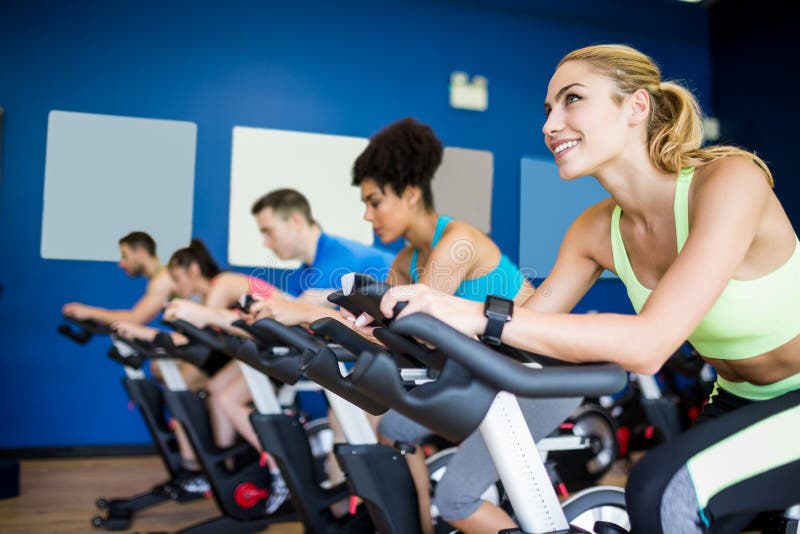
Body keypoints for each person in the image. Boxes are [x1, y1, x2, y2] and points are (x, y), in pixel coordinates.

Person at [371, 44, 800, 533]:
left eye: (572, 99)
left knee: (662, 492)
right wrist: (400, 319)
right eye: (548, 109)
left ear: (636, 106)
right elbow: (526, 334)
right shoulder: (595, 230)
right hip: (738, 398)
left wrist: (470, 313)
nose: (550, 125)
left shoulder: (728, 182)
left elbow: (650, 344)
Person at [350, 117, 557, 534]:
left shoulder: (458, 241)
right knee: (393, 430)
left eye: (375, 201)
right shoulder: (406, 260)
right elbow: (383, 324)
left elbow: (416, 325)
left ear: (410, 194)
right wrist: (320, 316)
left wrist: (369, 322)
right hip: (491, 378)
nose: (368, 214)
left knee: (456, 500)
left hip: (540, 377)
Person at [164, 189, 394, 504]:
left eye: (268, 231)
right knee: (340, 460)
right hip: (362, 366)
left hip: (397, 367)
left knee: (347, 453)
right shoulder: (304, 274)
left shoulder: (339, 259)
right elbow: (280, 320)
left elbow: (292, 315)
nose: (266, 242)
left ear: (296, 221)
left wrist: (207, 315)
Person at [114, 238, 282, 506]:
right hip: (259, 352)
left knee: (225, 398)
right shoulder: (209, 296)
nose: (176, 287)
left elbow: (195, 337)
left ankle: (281, 471)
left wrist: (142, 332)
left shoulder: (222, 284)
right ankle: (222, 473)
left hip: (282, 350)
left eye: (177, 279)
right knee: (214, 391)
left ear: (193, 269)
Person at [62, 231, 174, 325]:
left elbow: (135, 319)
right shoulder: (163, 277)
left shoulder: (164, 279)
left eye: (124, 255)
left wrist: (89, 312)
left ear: (141, 253)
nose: (121, 264)